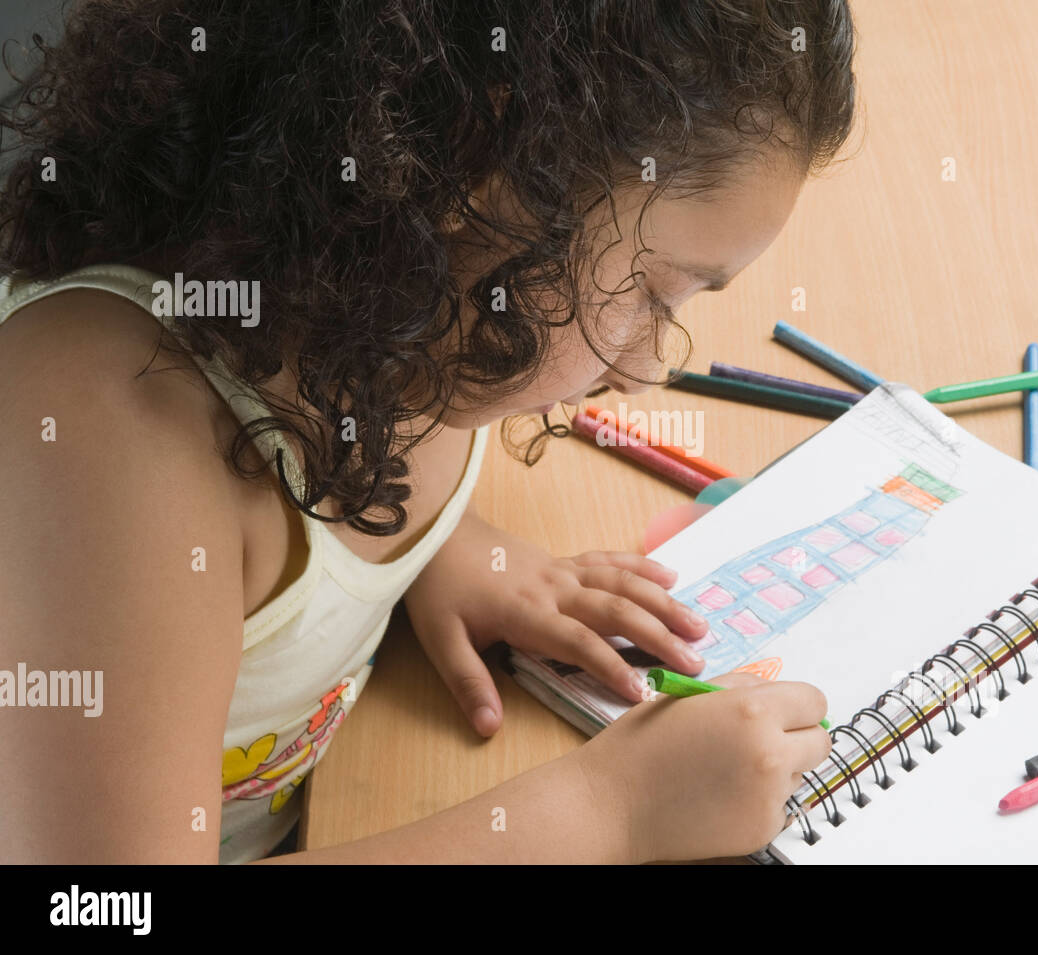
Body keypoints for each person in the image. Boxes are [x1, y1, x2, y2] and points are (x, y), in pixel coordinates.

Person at [0, 0, 856, 863]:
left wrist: (438, 548)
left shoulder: (402, 310)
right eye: (652, 293)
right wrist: (609, 810)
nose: (644, 372)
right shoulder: (108, 449)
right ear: (484, 171)